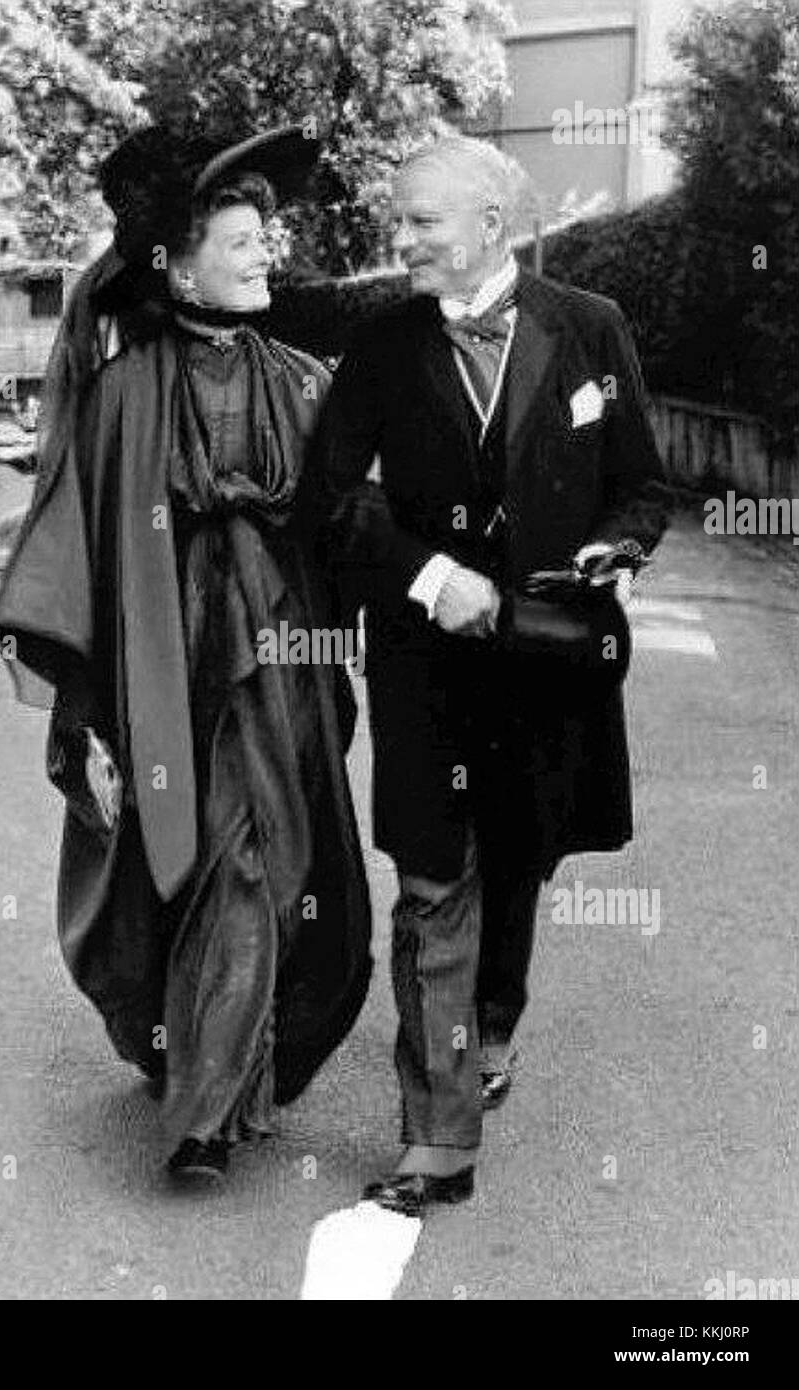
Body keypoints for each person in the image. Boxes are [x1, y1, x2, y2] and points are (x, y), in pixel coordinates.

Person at [0, 125, 372, 1182]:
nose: (267, 253)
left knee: (273, 865)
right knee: (223, 864)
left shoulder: (303, 381)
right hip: (169, 680)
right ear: (181, 260)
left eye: (266, 236)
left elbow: (355, 532)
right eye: (243, 237)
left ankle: (217, 1076)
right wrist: (82, 711)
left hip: (283, 680)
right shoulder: (120, 398)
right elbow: (68, 544)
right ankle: (204, 1112)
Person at [306, 134, 670, 1216]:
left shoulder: (589, 326)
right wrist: (425, 575)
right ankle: (436, 1134)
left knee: (516, 862)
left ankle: (493, 1024)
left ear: (489, 230)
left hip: (550, 666)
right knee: (432, 883)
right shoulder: (379, 343)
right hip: (425, 669)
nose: (401, 238)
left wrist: (617, 544)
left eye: (421, 220)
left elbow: (641, 484)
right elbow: (324, 503)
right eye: (400, 219)